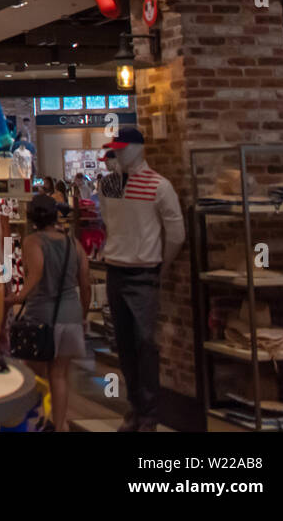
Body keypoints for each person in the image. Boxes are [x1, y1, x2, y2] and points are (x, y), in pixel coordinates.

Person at [98, 126, 184, 432]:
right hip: (118, 269)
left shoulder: (159, 186)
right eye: (116, 149)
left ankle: (147, 412)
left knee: (144, 344)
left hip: (143, 271)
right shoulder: (109, 185)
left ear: (138, 148)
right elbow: (111, 220)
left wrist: (161, 264)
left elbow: (177, 232)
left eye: (123, 148)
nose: (118, 153)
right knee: (123, 343)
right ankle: (137, 407)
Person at [7, 194, 89, 431]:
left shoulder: (33, 241)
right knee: (60, 375)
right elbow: (85, 283)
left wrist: (18, 297)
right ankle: (61, 425)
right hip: (71, 314)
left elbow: (36, 274)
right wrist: (82, 314)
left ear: (32, 217)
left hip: (41, 317)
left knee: (33, 375)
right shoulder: (74, 243)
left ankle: (35, 420)